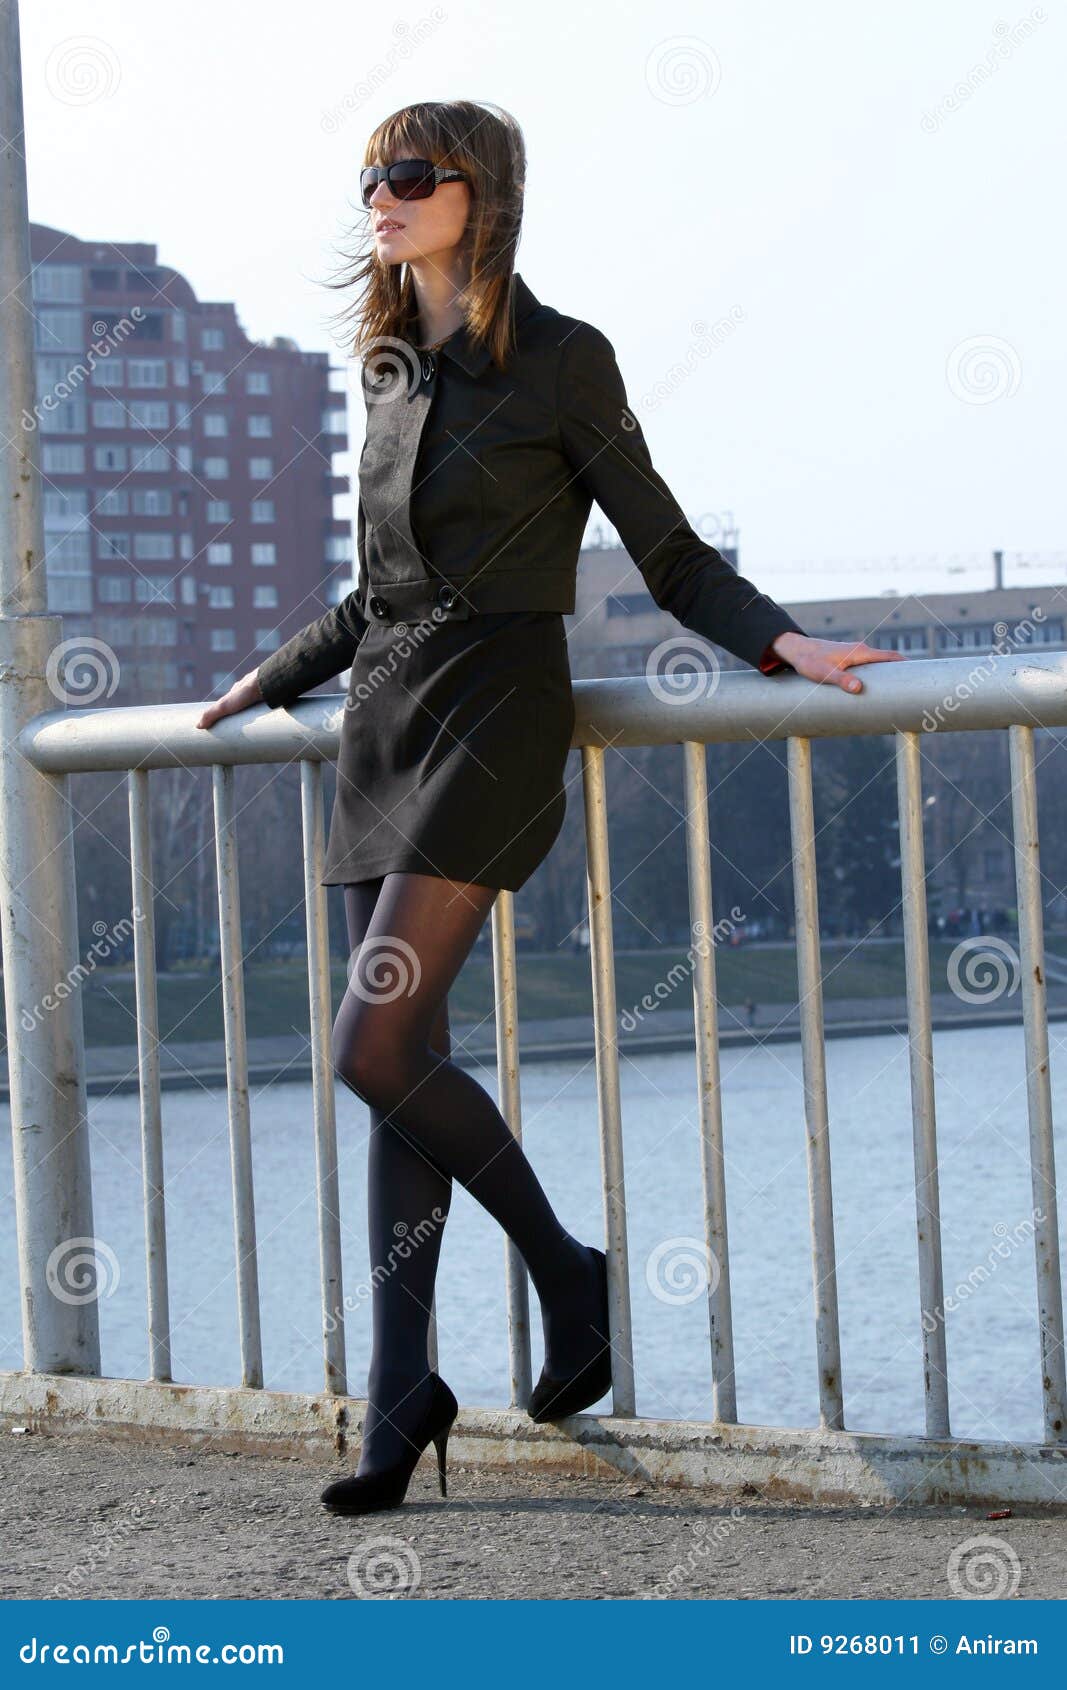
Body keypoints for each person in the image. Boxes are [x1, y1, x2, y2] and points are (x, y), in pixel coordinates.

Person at [196, 99, 904, 1515]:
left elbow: (668, 548)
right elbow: (376, 588)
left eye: (412, 175)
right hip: (383, 729)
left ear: (485, 194)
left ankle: (566, 1267)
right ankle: (403, 1397)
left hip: (497, 721)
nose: (382, 198)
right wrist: (269, 677)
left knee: (370, 1039)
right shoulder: (388, 370)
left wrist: (791, 645)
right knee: (398, 1084)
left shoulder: (565, 361)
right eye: (372, 178)